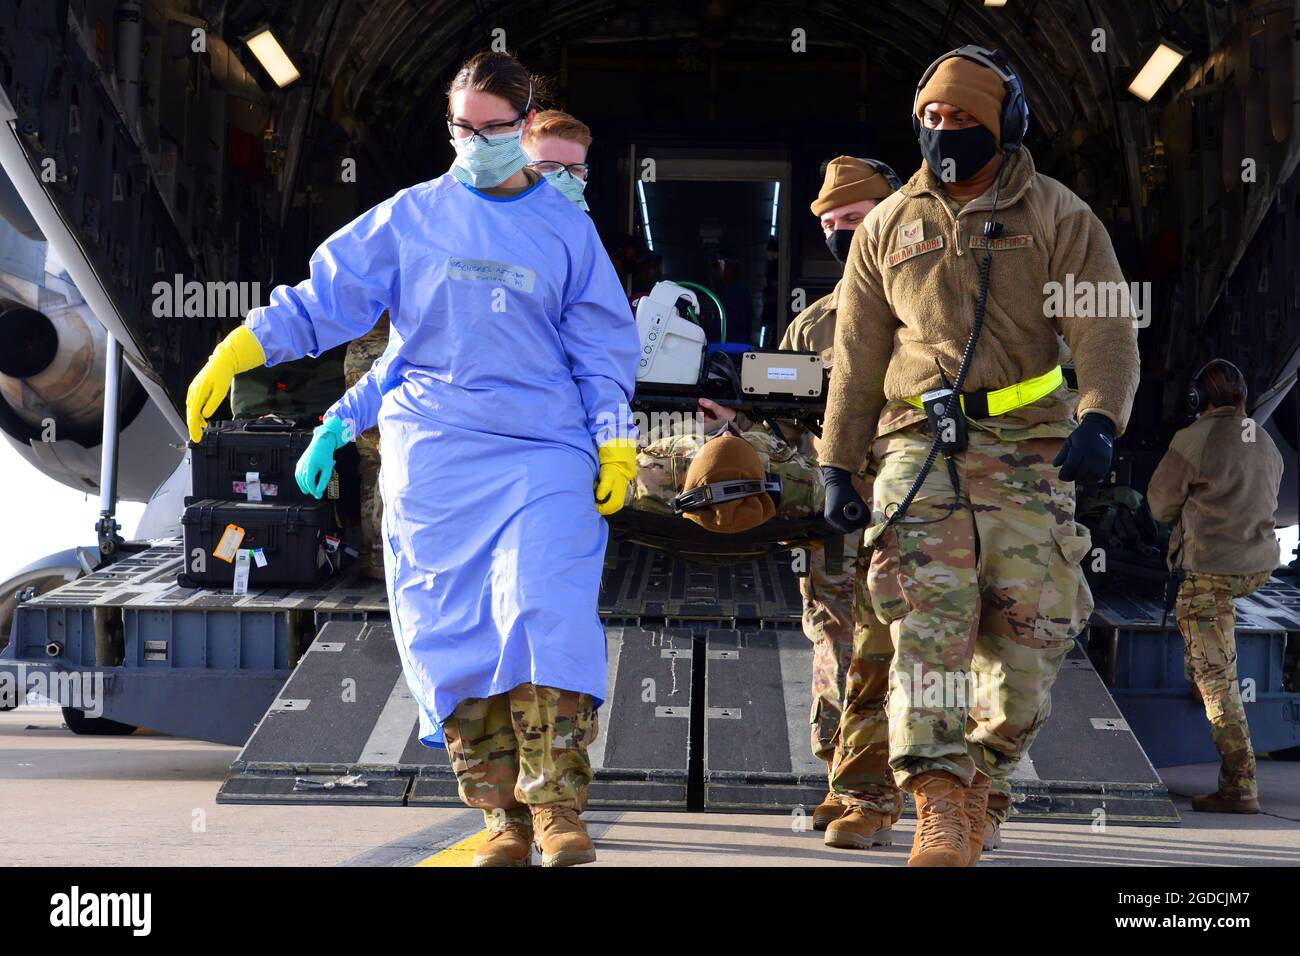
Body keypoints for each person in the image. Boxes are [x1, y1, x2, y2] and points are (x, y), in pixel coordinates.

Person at [185, 51, 640, 867]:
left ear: (523, 123)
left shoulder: (566, 229)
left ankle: (557, 805)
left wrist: (613, 437)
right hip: (435, 457)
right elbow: (332, 302)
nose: (475, 142)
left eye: (494, 128)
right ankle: (498, 817)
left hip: (543, 448)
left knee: (545, 611)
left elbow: (602, 346)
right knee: (454, 634)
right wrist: (244, 346)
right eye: (461, 127)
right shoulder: (410, 218)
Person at [820, 46, 1140, 866]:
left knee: (1031, 638)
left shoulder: (1060, 216)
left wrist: (1100, 417)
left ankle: (984, 784)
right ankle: (935, 800)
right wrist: (836, 464)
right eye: (931, 118)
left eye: (963, 119)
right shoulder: (889, 227)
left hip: (1029, 449)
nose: (943, 131)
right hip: (920, 450)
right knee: (927, 629)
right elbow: (856, 359)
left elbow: (1104, 326)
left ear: (1006, 124)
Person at [341, 110, 599, 582]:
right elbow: (406, 356)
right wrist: (341, 419)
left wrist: (614, 438)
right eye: (547, 170)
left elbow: (602, 362)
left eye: (574, 172)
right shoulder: (466, 250)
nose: (562, 183)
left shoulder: (579, 249)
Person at [780, 156, 903, 848]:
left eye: (851, 221)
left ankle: (875, 794)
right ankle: (843, 779)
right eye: (828, 226)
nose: (839, 236)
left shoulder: (928, 314)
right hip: (829, 519)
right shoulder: (813, 327)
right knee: (832, 647)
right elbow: (788, 428)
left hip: (907, 510)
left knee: (886, 653)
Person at [1146, 359, 1281, 814]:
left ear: (1198, 401)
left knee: (1216, 680)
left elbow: (1161, 505)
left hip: (1209, 574)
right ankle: (1201, 668)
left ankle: (1239, 786)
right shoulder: (1264, 440)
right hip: (1254, 569)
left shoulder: (1193, 439)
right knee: (1208, 651)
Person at [522, 109, 593, 210]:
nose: (564, 178)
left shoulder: (584, 225)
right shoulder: (496, 223)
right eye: (549, 166)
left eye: (575, 169)